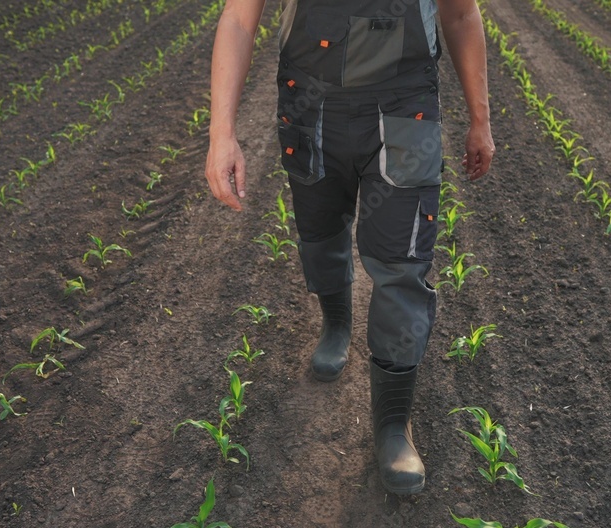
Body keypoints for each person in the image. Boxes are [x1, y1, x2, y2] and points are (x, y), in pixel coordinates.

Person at [205, 0, 494, 495]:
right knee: (320, 231)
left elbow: (462, 15)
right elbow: (237, 18)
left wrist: (479, 118)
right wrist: (221, 133)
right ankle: (336, 322)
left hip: (405, 107)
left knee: (403, 265)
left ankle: (392, 425)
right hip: (311, 105)